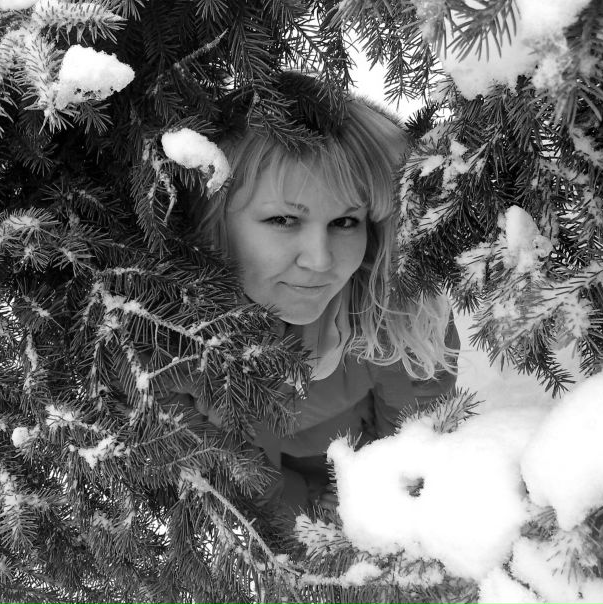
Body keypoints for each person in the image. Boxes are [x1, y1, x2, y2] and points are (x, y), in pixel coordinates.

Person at [184, 74, 459, 516]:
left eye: (345, 222)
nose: (320, 259)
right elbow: (233, 471)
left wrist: (383, 486)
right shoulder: (171, 337)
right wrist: (304, 510)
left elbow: (419, 412)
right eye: (283, 220)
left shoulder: (382, 300)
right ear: (213, 222)